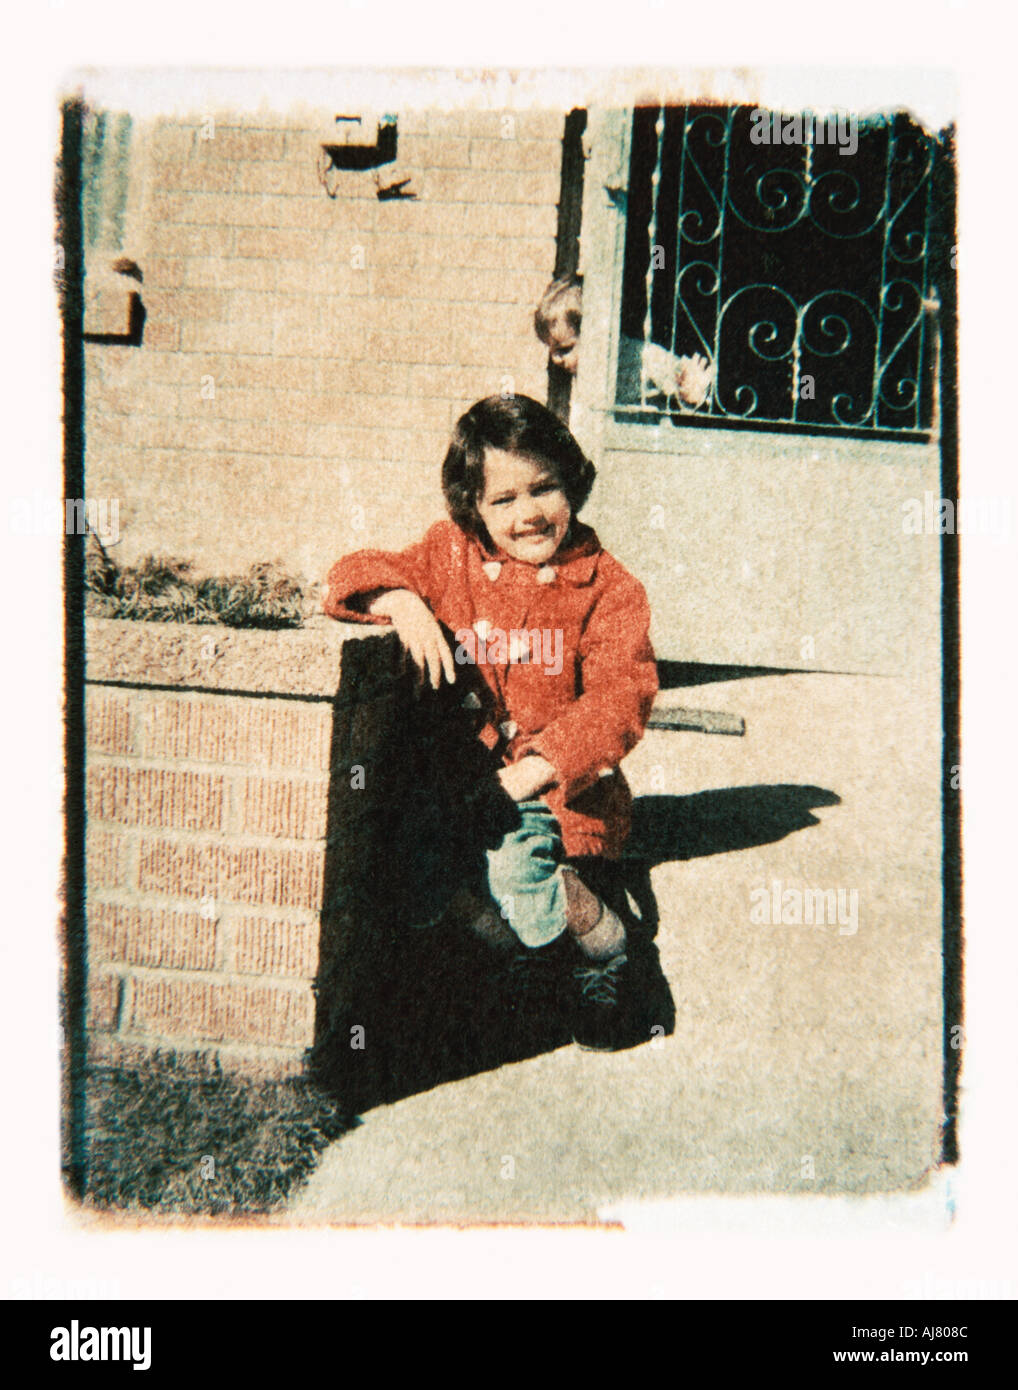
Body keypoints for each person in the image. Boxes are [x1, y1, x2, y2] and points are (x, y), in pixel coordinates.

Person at [321, 394, 659, 1050]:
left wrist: (534, 772)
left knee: (518, 872)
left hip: (551, 789)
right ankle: (506, 949)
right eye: (502, 500)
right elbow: (350, 572)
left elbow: (620, 701)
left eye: (543, 489)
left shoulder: (610, 589)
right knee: (413, 866)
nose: (527, 514)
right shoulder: (453, 555)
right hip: (464, 780)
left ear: (573, 482)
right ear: (473, 506)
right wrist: (403, 603)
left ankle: (601, 951)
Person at [534, 272, 714, 409]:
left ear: (594, 334)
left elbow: (681, 377)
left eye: (565, 349)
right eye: (551, 350)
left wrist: (692, 388)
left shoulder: (636, 355)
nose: (556, 359)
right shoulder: (575, 373)